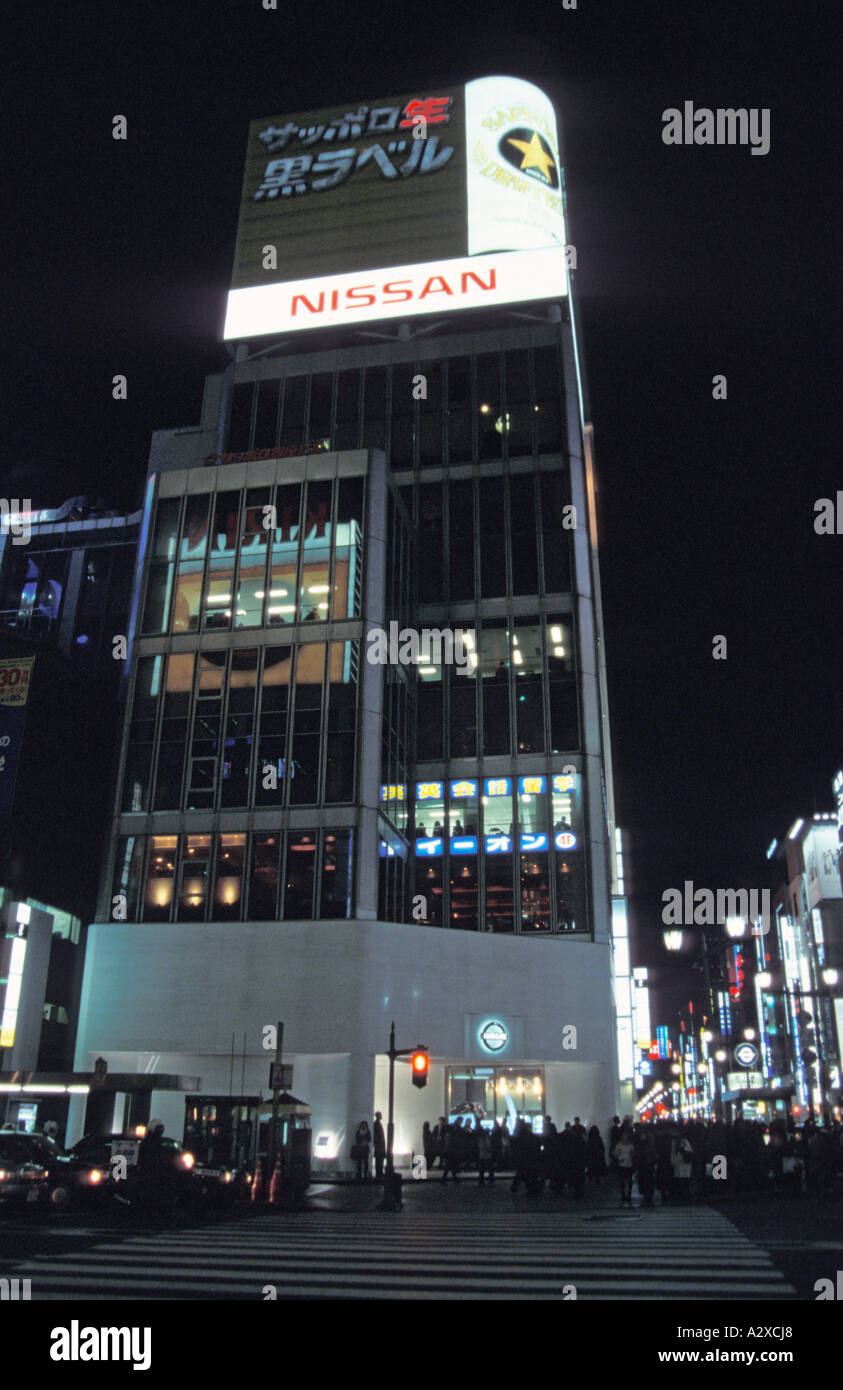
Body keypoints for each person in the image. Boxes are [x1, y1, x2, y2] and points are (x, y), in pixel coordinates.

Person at [614, 1123, 635, 1207]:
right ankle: (624, 1193)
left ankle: (628, 1194)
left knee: (628, 1179)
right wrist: (619, 1157)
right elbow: (616, 1153)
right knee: (623, 1180)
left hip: (628, 1162)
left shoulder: (629, 1144)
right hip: (623, 1162)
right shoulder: (620, 1144)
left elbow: (633, 1153)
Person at [372, 1111, 386, 1181]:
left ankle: (380, 1172)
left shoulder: (377, 1124)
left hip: (380, 1145)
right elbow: (377, 1135)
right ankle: (379, 1172)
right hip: (379, 1145)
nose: (381, 1116)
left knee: (380, 1159)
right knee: (379, 1159)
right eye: (380, 1115)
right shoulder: (376, 1124)